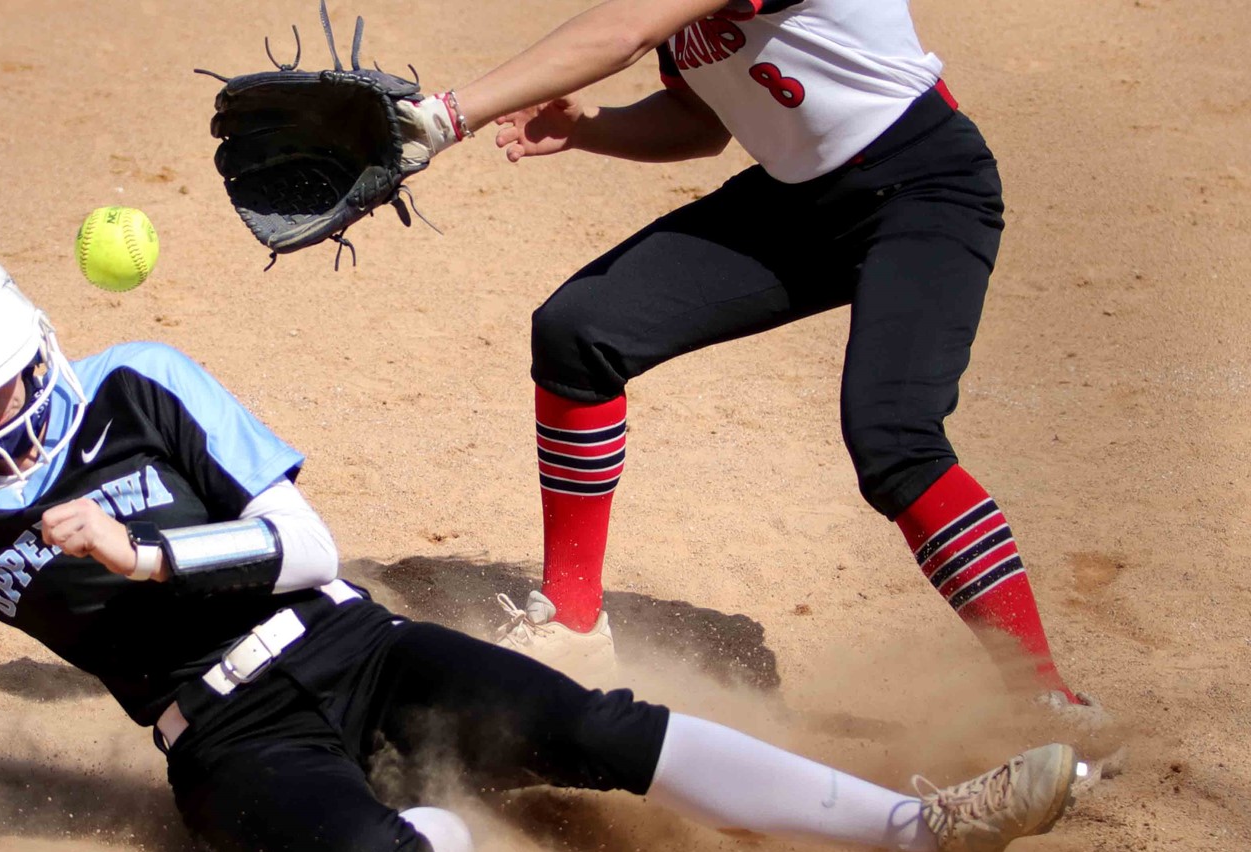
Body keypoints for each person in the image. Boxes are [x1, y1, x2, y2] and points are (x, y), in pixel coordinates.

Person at [0, 232, 1084, 852]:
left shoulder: (143, 384)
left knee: (600, 727)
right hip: (232, 742)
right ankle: (458, 826)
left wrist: (147, 553)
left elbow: (308, 548)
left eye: (16, 372)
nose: (10, 409)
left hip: (353, 641)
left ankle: (929, 833)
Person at [391, 0, 1103, 724]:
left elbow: (622, 33)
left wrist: (446, 116)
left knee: (895, 441)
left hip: (925, 192)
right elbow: (699, 124)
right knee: (581, 331)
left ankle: (1045, 698)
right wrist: (590, 129)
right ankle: (572, 623)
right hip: (801, 206)